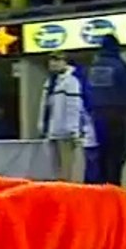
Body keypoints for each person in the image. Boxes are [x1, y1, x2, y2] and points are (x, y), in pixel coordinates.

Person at [84, 33, 126, 185]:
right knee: (116, 154)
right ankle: (114, 185)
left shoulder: (93, 67)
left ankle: (101, 185)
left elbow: (87, 90)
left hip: (97, 114)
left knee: (102, 152)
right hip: (118, 113)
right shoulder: (119, 64)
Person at [41, 53, 87, 183]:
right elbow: (45, 107)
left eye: (57, 60)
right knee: (55, 171)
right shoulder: (50, 82)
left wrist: (73, 130)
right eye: (51, 60)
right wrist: (42, 127)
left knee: (67, 170)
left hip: (65, 134)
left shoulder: (71, 81)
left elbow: (74, 107)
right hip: (52, 132)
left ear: (65, 63)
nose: (53, 64)